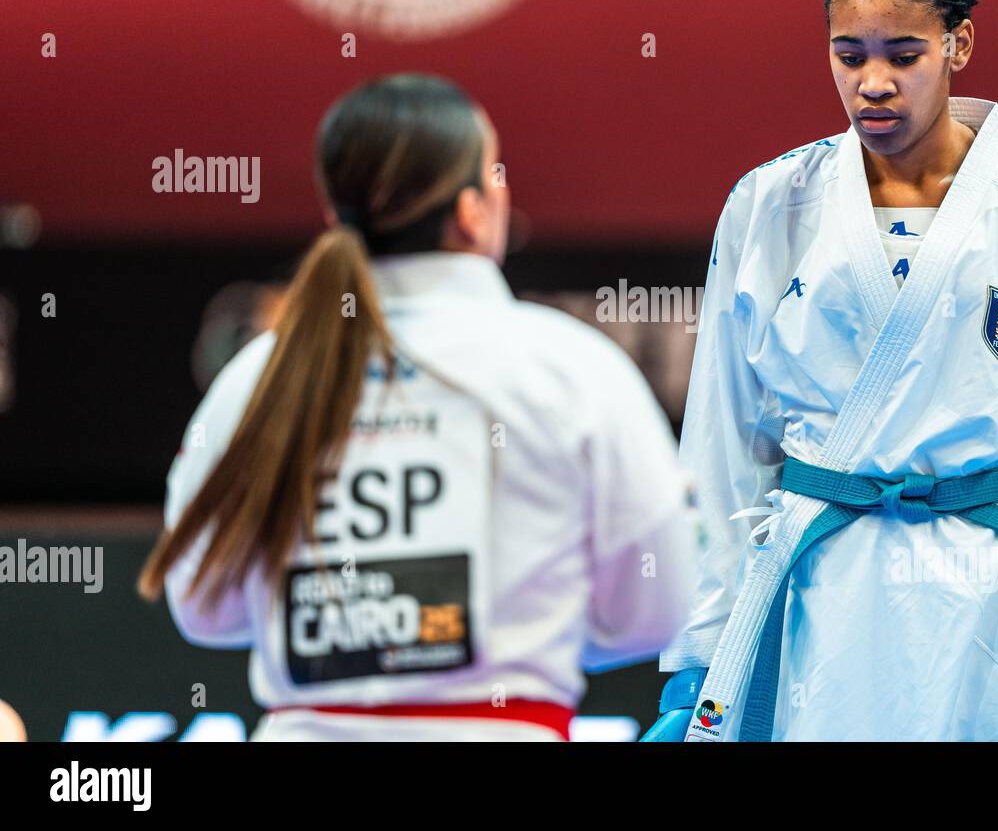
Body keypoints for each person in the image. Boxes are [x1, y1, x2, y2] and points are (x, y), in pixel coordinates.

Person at [644, 0, 998, 742]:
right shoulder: (771, 200)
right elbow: (720, 444)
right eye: (849, 55)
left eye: (903, 54)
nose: (872, 83)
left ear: (960, 43)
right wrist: (699, 662)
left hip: (985, 598)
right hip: (818, 591)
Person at [139, 74, 696, 741]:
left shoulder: (255, 380)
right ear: (471, 210)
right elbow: (657, 609)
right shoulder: (571, 369)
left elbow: (204, 606)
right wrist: (527, 636)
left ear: (334, 215)